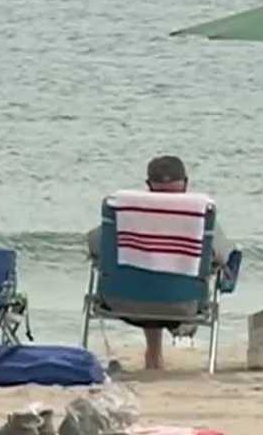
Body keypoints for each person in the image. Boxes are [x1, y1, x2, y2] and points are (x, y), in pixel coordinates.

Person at [86, 155, 235, 371]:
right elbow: (223, 256)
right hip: (185, 306)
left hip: (121, 302)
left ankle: (154, 354)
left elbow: (95, 246)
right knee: (173, 273)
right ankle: (175, 336)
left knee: (143, 266)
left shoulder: (126, 214)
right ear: (185, 183)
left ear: (148, 186)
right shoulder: (200, 216)